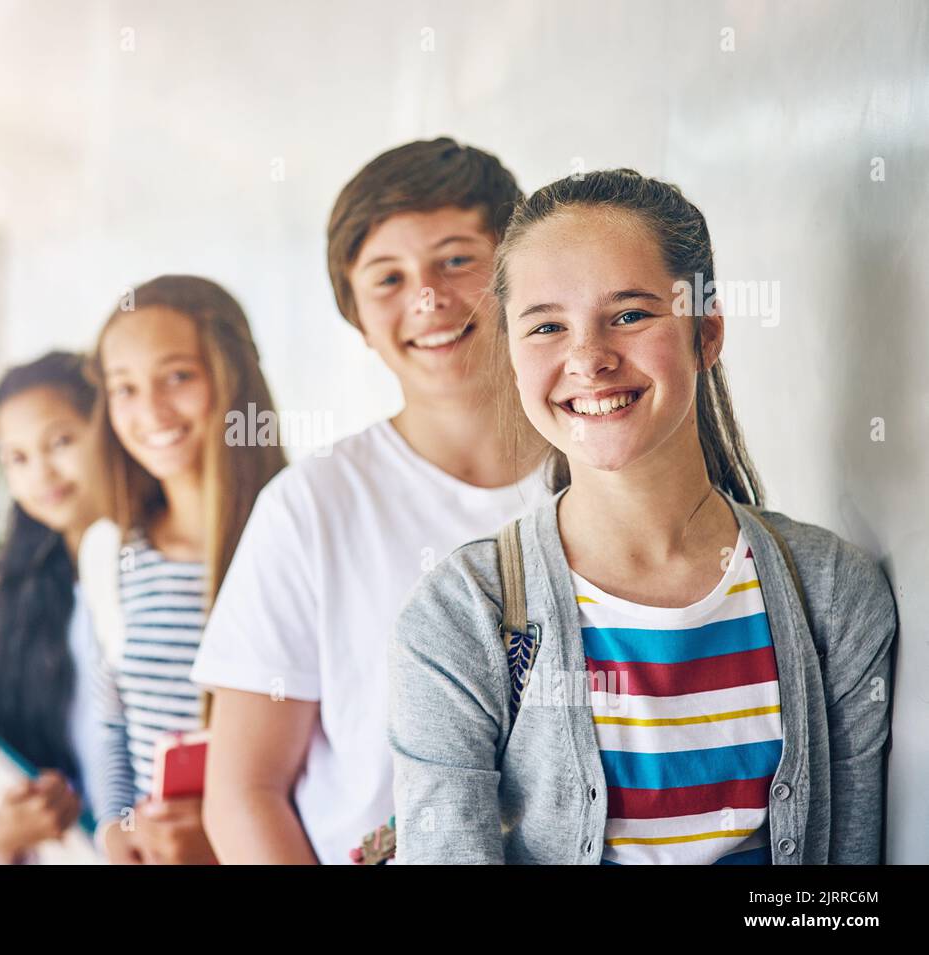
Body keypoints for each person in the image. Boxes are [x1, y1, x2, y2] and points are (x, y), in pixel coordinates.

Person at [389, 169, 897, 864]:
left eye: (629, 315)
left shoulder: (833, 592)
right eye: (545, 326)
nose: (589, 359)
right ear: (511, 353)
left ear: (706, 334)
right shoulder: (462, 613)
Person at [192, 138, 548, 863]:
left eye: (456, 260)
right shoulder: (311, 506)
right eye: (388, 278)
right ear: (355, 314)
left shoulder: (604, 473)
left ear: (517, 275)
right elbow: (243, 791)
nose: (427, 299)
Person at [85, 275, 285, 864]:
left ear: (232, 378)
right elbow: (112, 724)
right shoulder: (110, 552)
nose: (150, 411)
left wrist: (225, 835)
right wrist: (114, 829)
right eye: (124, 388)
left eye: (178, 376)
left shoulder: (294, 538)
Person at [0, 352, 115, 863]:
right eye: (17, 457)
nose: (42, 473)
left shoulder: (152, 572)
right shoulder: (2, 597)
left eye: (61, 441)